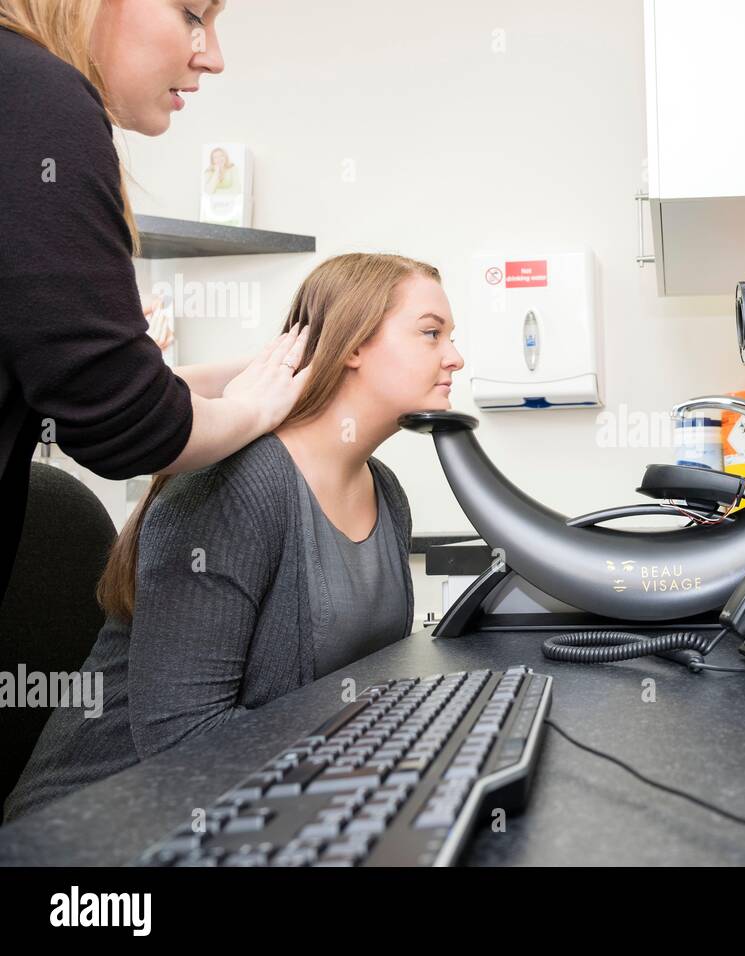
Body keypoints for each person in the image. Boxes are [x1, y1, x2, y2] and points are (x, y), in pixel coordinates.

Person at [4, 253, 464, 822]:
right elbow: (184, 741)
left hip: (268, 808)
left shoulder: (386, 492)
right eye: (430, 333)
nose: (455, 357)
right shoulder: (239, 483)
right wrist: (388, 754)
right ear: (352, 346)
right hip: (109, 831)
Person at [0, 0, 310, 603]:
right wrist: (250, 410)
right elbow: (126, 425)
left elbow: (75, 392)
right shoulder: (36, 92)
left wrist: (255, 372)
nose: (213, 57)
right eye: (194, 15)